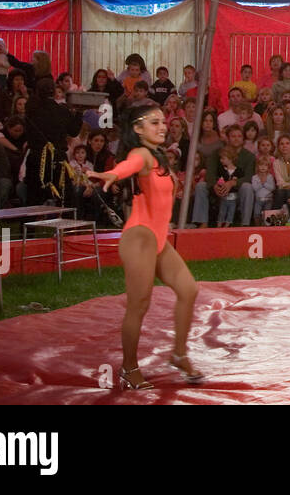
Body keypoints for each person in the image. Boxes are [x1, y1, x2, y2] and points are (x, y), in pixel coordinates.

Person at [87, 102, 202, 390]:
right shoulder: (142, 154)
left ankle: (178, 354)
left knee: (189, 290)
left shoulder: (159, 155)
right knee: (139, 305)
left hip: (158, 238)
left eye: (163, 121)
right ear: (138, 129)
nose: (162, 126)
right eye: (154, 122)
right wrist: (112, 174)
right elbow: (130, 164)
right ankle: (129, 368)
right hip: (140, 236)